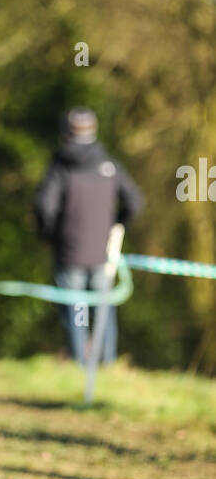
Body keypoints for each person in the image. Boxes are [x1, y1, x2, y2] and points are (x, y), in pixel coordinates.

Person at [34, 108, 143, 363]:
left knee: (75, 310)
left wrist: (48, 235)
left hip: (68, 253)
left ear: (65, 132)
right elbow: (134, 203)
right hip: (101, 253)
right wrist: (116, 225)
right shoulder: (109, 165)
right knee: (103, 310)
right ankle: (105, 363)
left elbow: (43, 206)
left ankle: (81, 365)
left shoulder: (60, 168)